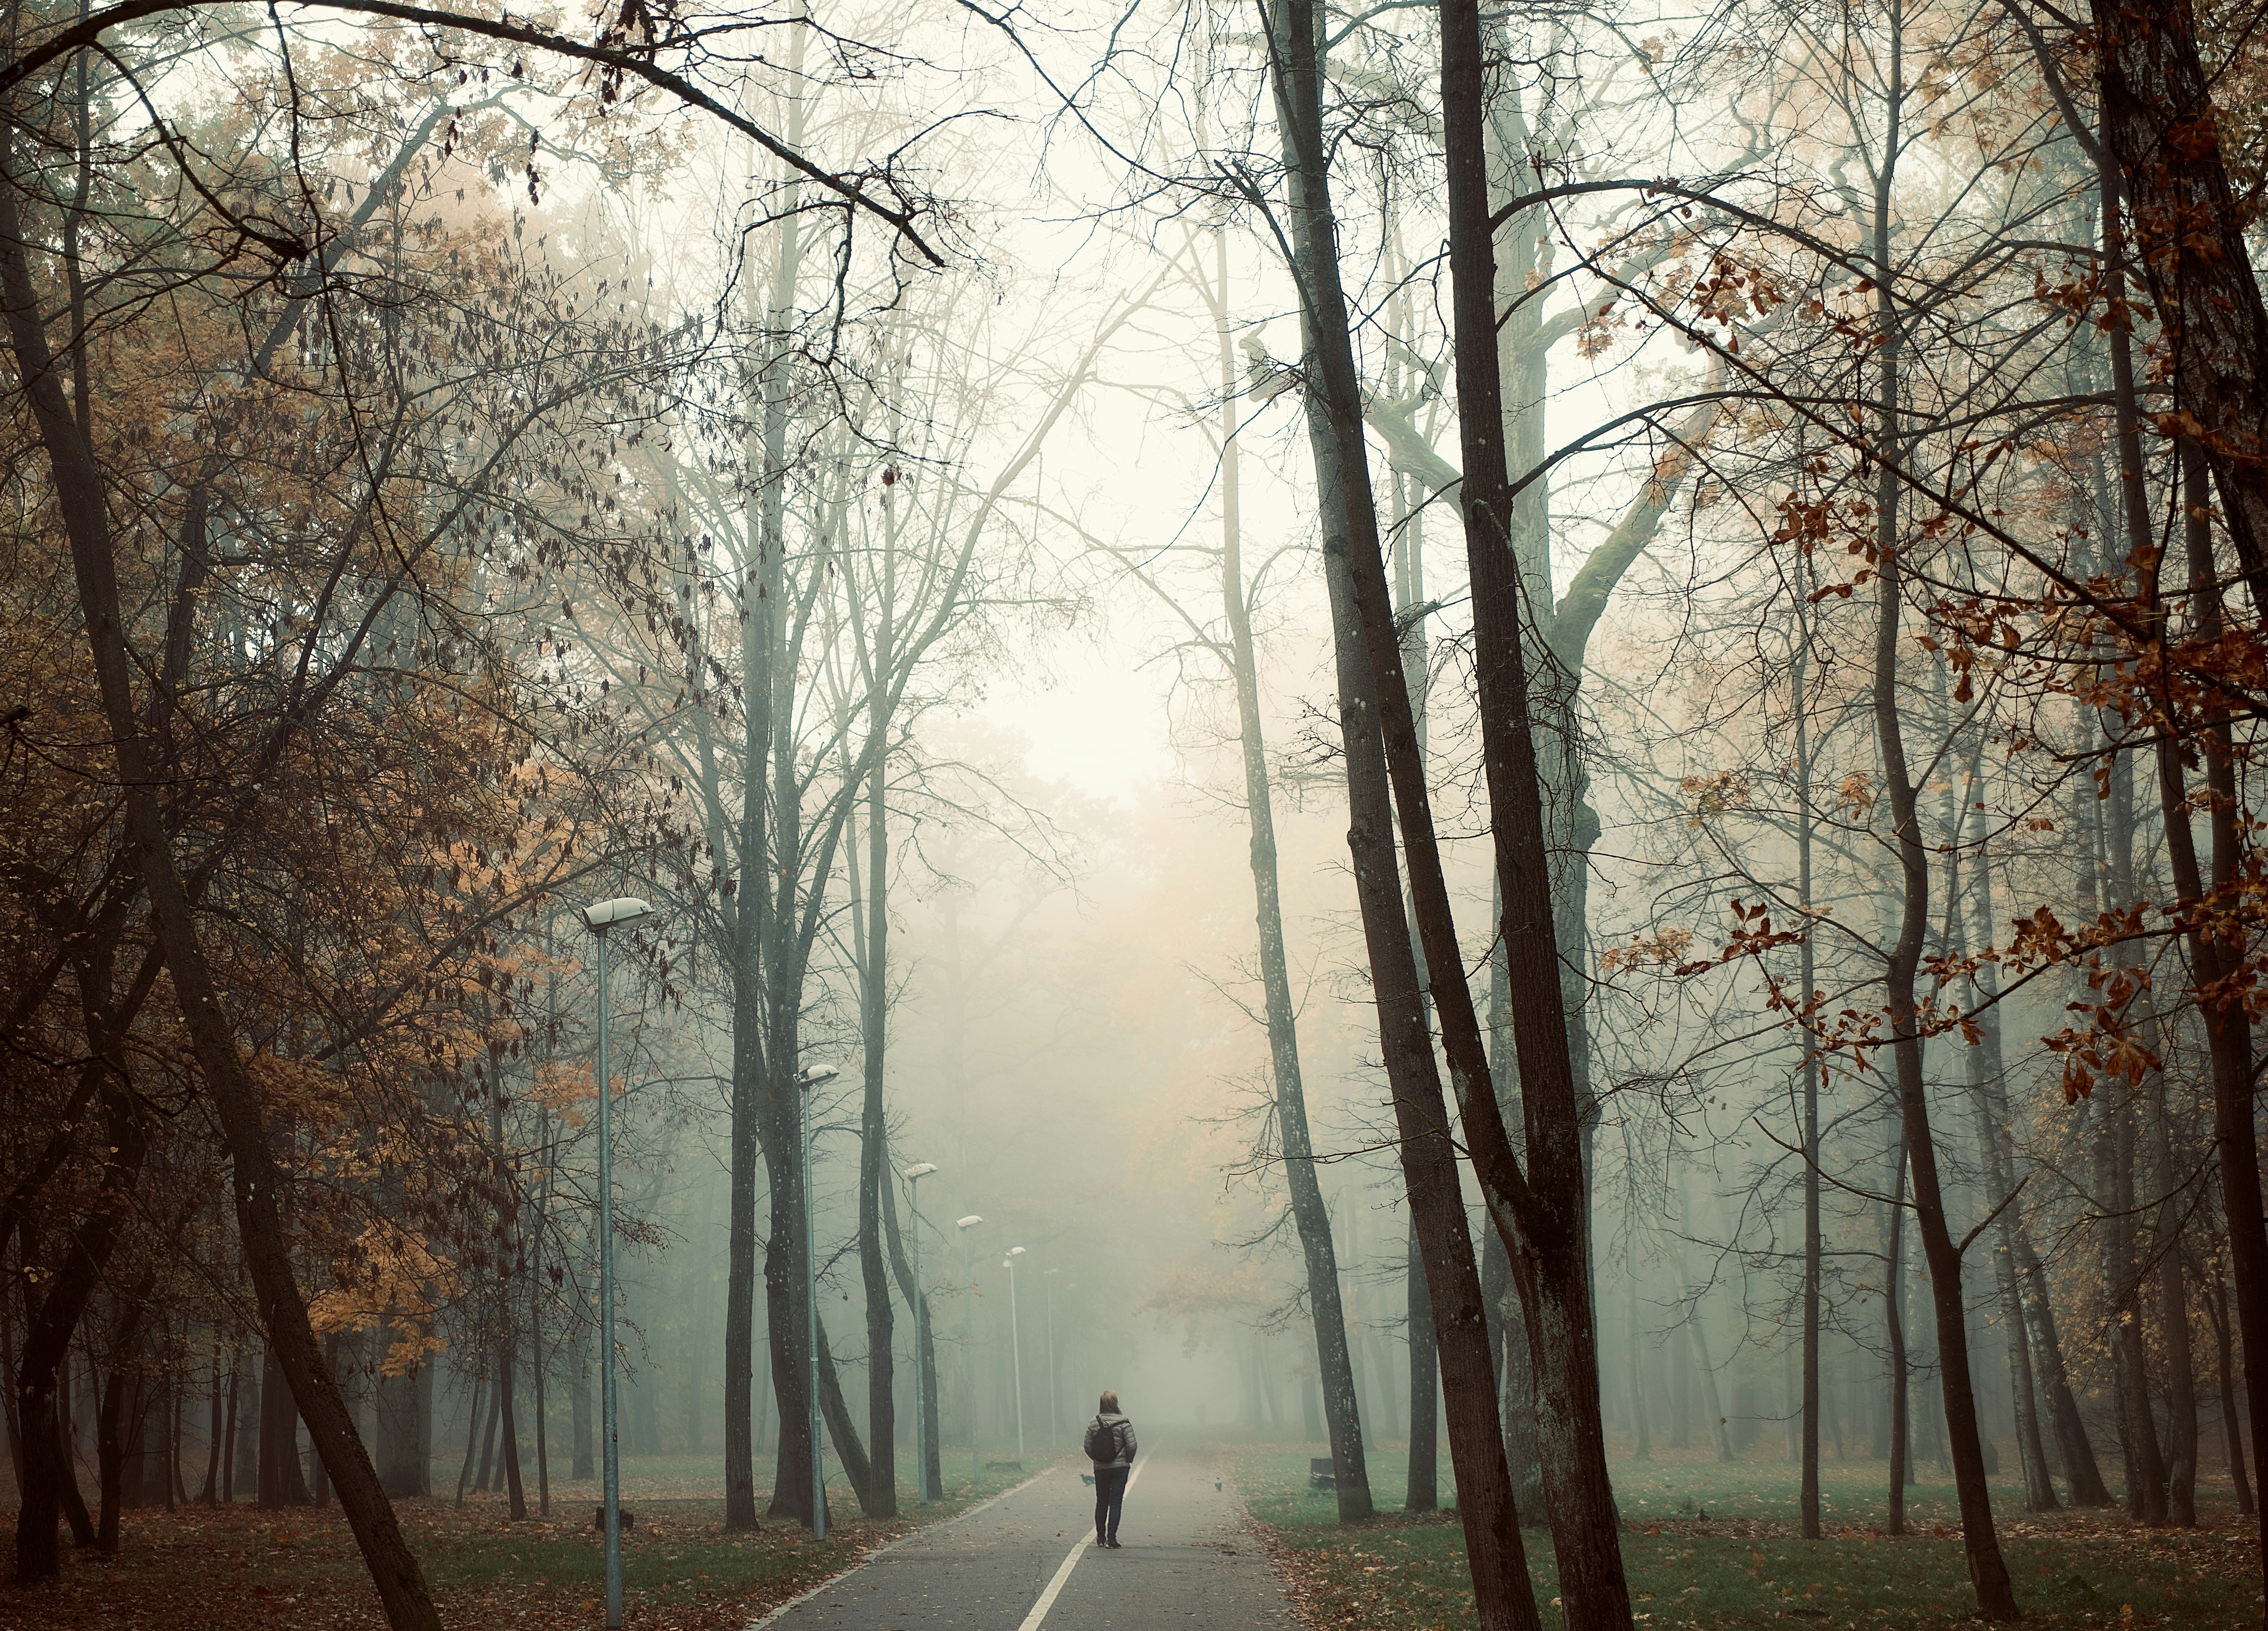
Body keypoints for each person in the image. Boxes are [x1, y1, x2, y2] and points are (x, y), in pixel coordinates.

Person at [1082, 1389, 1137, 1547]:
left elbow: (1087, 1445)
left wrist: (1097, 1459)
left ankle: (1100, 1537)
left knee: (1101, 1502)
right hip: (1120, 1468)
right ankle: (1111, 1538)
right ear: (1116, 1403)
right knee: (1116, 1503)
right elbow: (1132, 1445)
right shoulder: (1124, 1422)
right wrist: (1127, 1460)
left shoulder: (1094, 1422)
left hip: (1101, 1469)